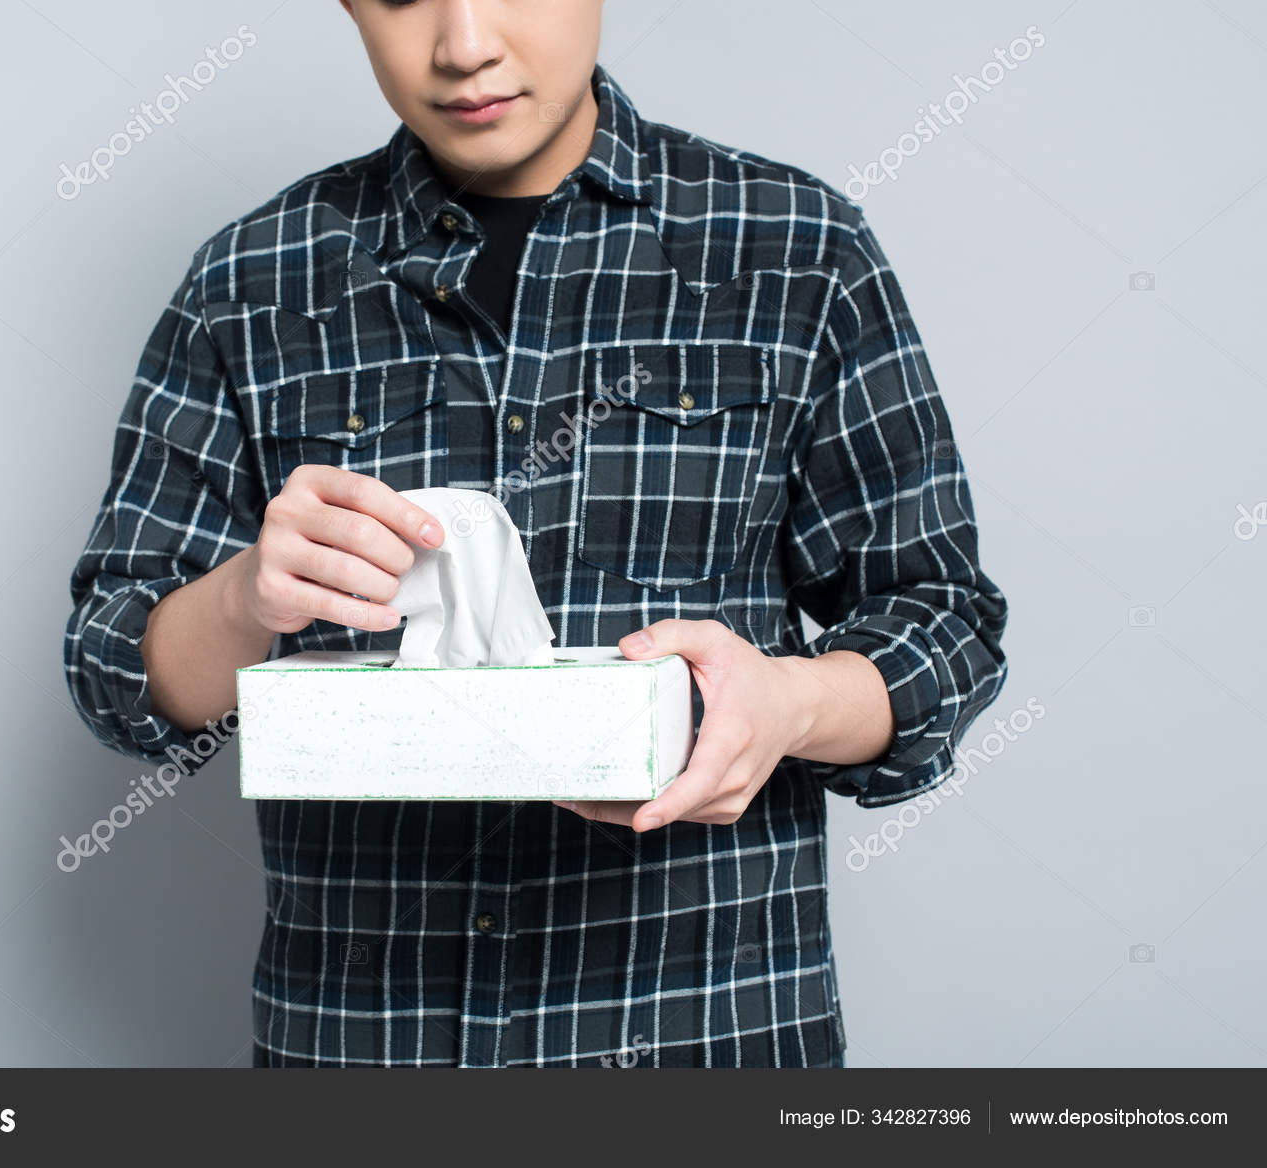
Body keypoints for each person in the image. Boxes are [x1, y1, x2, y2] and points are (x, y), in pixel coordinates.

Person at [63, 0, 1009, 1067]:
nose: (464, 45)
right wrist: (245, 598)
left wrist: (786, 705)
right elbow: (114, 675)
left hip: (706, 1040)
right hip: (364, 1050)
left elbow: (945, 627)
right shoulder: (249, 280)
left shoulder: (798, 249)